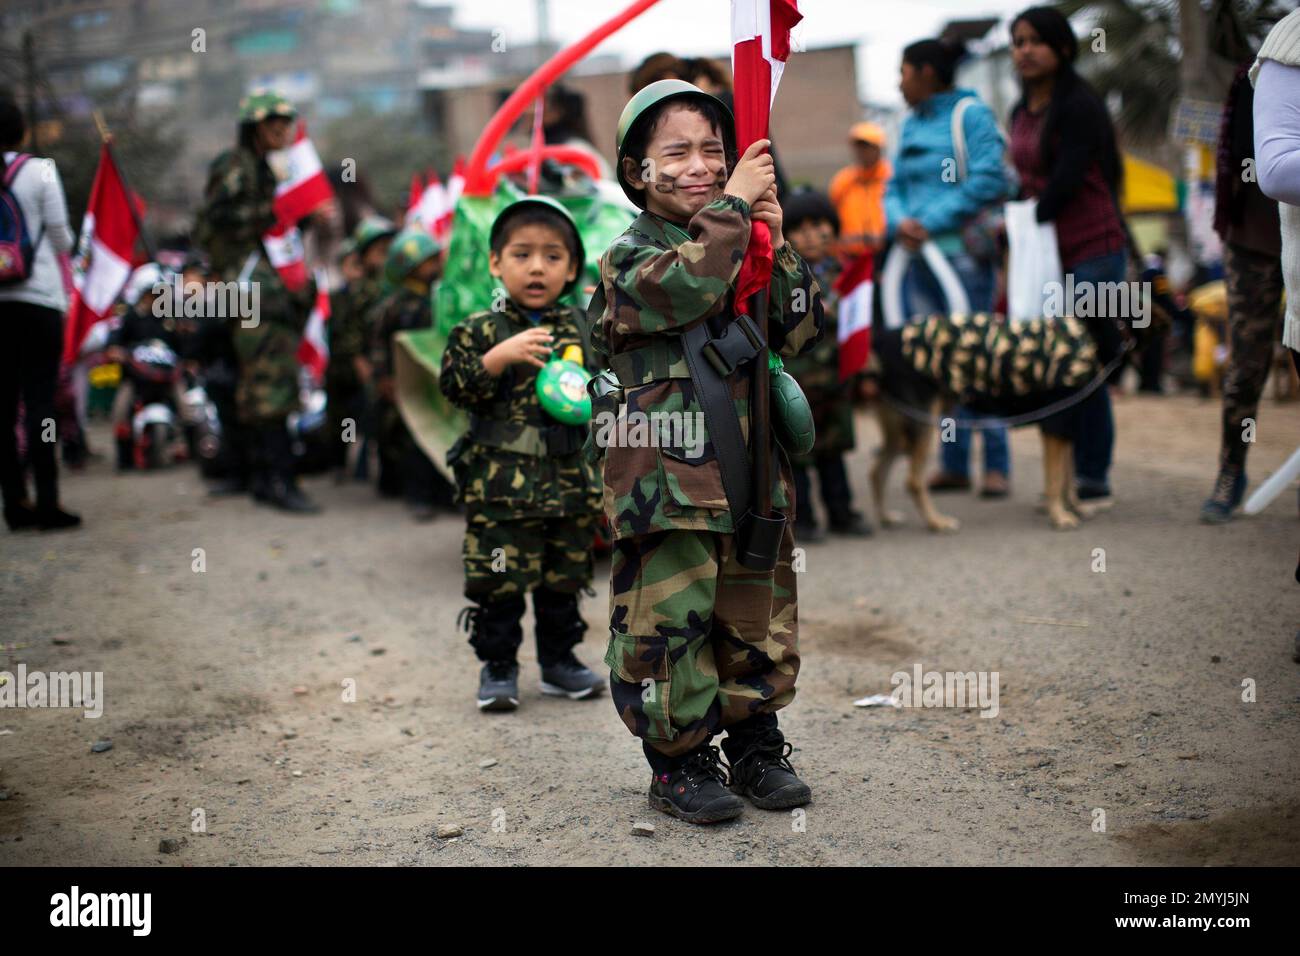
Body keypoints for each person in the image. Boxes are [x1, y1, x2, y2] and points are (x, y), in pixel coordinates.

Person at [593, 79, 822, 824]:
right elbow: (681, 289)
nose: (700, 164)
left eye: (714, 151)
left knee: (755, 616)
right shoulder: (629, 257)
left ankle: (755, 743)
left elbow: (796, 331)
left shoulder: (741, 244)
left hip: (749, 471)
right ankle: (679, 761)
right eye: (677, 152)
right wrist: (734, 211)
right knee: (669, 624)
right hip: (665, 482)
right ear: (637, 173)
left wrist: (777, 247)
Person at [440, 197, 606, 711]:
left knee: (564, 580)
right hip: (499, 492)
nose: (537, 267)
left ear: (572, 268)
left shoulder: (585, 326)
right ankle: (498, 667)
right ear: (495, 262)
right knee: (499, 583)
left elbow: (611, 388)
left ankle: (559, 662)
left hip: (569, 487)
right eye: (522, 254)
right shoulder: (478, 330)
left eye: (553, 256)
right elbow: (453, 388)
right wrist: (496, 359)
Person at [1009, 7, 1127, 513]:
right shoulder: (1021, 109)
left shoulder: (1079, 105)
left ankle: (1092, 477)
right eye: (1017, 41)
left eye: (1036, 40)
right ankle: (1066, 482)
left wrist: (1021, 218)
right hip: (1046, 252)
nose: (1025, 50)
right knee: (1056, 362)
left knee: (1084, 363)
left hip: (1093, 247)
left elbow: (1067, 181)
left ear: (1061, 48)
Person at [885, 37, 1012, 498]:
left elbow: (988, 177)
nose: (898, 82)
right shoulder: (908, 124)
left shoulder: (971, 116)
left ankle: (996, 464)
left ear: (925, 73)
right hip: (917, 260)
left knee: (976, 355)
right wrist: (902, 224)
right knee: (936, 361)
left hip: (963, 257)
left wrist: (930, 222)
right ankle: (954, 463)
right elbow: (893, 186)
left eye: (903, 71)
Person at [192, 89, 321, 513]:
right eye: (273, 123)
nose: (283, 131)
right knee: (267, 382)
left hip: (266, 290)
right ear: (253, 128)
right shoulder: (235, 166)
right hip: (250, 290)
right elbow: (216, 220)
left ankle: (261, 476)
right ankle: (277, 480)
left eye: (287, 123)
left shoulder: (268, 170)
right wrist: (274, 209)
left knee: (261, 380)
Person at [0, 98, 80, 531]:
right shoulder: (42, 171)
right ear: (23, 130)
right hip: (39, 302)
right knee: (41, 406)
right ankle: (48, 501)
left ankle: (14, 503)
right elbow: (62, 239)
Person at [781, 189, 872, 541]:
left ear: (833, 229)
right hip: (798, 386)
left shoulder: (844, 277)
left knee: (834, 453)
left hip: (835, 384)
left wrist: (867, 374)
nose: (811, 235)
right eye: (799, 228)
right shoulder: (785, 278)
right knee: (799, 454)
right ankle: (803, 520)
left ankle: (842, 513)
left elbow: (861, 331)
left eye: (819, 225)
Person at [368, 228, 454, 520]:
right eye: (427, 261)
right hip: (409, 381)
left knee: (441, 433)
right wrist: (384, 377)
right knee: (414, 438)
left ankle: (444, 493)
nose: (434, 265)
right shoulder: (394, 305)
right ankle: (418, 496)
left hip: (437, 377)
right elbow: (379, 342)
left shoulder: (442, 297)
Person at [327, 219, 394, 484]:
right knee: (344, 418)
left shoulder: (389, 285)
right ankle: (341, 464)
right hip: (349, 366)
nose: (383, 257)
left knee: (373, 416)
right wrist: (358, 361)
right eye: (378, 250)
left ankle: (371, 466)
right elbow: (347, 331)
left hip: (378, 362)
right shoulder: (358, 291)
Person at [105, 263, 187, 470]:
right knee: (121, 409)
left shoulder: (168, 318)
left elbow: (181, 346)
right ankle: (124, 457)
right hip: (136, 379)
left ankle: (187, 442)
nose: (154, 298)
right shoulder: (129, 317)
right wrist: (116, 351)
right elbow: (114, 341)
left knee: (186, 403)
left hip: (166, 377)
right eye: (151, 293)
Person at [829, 122, 891, 259]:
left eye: (867, 147)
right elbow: (832, 218)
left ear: (878, 149)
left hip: (885, 254)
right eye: (859, 147)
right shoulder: (843, 180)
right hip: (850, 257)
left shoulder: (891, 178)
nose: (863, 152)